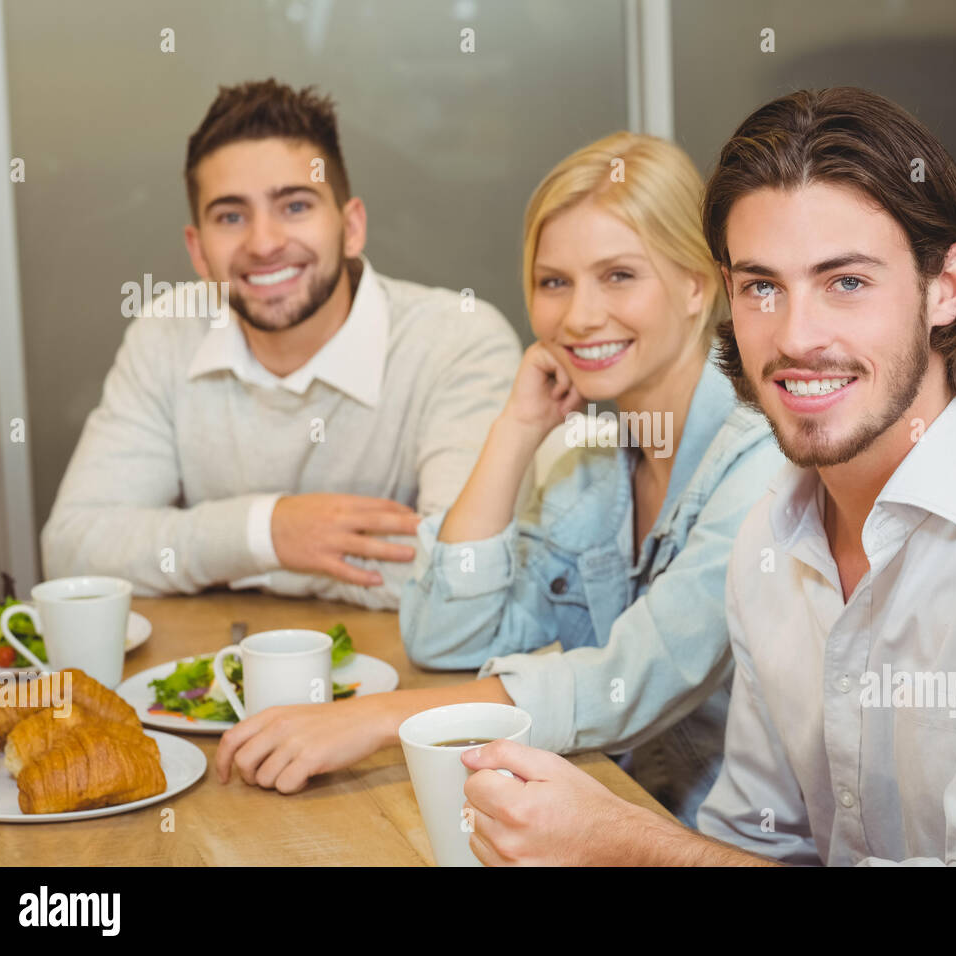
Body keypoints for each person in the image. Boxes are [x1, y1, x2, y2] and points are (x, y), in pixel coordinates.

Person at [448, 87, 956, 866]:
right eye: (762, 287)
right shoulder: (773, 537)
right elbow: (756, 841)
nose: (796, 336)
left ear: (947, 287)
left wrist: (629, 844)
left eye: (846, 282)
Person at [214, 131, 785, 827]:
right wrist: (515, 431)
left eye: (618, 276)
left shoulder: (763, 455)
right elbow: (445, 637)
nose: (579, 317)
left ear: (697, 285)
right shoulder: (592, 462)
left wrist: (381, 719)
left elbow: (638, 676)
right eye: (554, 283)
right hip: (619, 809)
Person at [41, 80, 521, 610]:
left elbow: (463, 579)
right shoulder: (166, 333)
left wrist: (245, 558)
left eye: (294, 206)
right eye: (231, 216)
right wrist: (268, 532)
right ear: (198, 253)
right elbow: (74, 552)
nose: (264, 243)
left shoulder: (459, 343)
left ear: (351, 227)